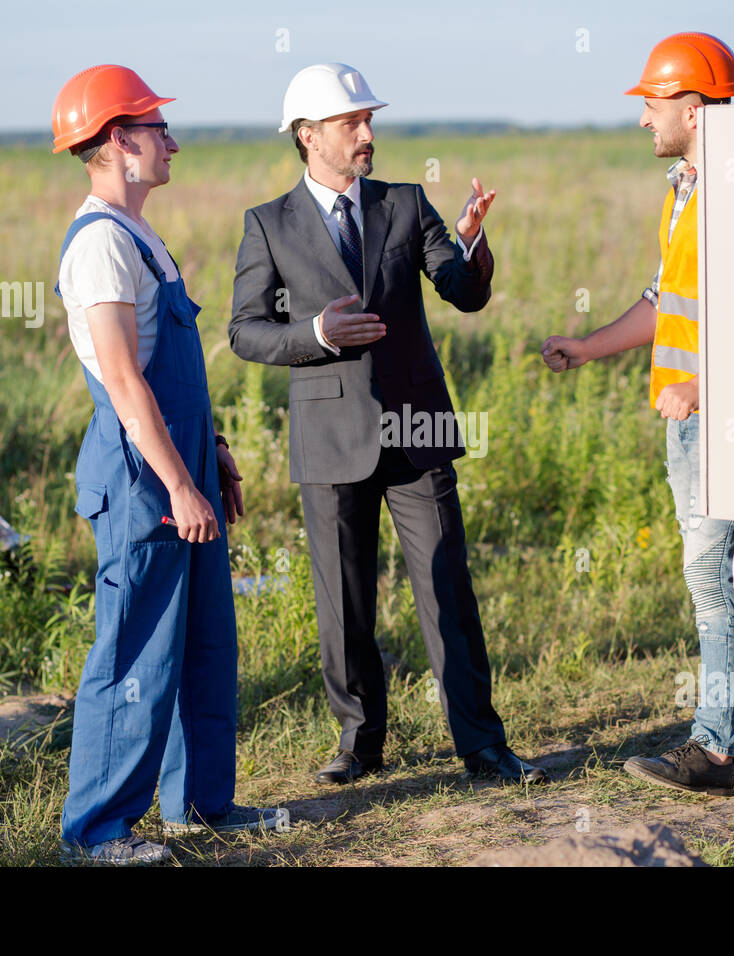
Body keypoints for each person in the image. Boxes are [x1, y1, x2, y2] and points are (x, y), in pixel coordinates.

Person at [229, 62, 545, 786]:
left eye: (370, 120)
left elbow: (463, 293)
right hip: (329, 438)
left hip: (417, 432)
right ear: (310, 137)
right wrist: (316, 332)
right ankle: (358, 742)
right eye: (352, 123)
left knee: (447, 589)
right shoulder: (268, 225)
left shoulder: (406, 203)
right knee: (344, 601)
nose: (368, 134)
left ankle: (483, 747)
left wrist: (470, 242)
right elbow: (246, 332)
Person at [51, 64, 277, 864]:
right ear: (117, 141)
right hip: (140, 478)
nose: (172, 142)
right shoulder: (102, 245)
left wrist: (212, 458)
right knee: (137, 647)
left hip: (184, 466)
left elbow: (170, 364)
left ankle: (199, 805)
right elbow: (121, 378)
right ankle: (101, 831)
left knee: (205, 642)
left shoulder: (142, 233)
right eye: (156, 130)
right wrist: (178, 483)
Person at [541, 34, 734, 796]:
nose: (643, 116)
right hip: (693, 415)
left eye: (652, 101)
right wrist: (591, 346)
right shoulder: (688, 184)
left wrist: (707, 382)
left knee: (712, 574)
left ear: (693, 108)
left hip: (722, 413)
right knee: (730, 573)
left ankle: (714, 750)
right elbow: (668, 301)